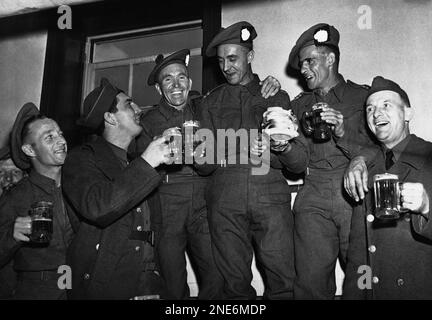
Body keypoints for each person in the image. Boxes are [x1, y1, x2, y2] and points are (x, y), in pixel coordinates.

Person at [200, 21, 309, 299]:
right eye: (222, 60)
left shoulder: (275, 95)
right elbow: (204, 164)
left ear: (249, 56)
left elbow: (297, 163)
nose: (226, 67)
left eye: (233, 58)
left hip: (268, 193)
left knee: (282, 278)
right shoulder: (210, 102)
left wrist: (277, 147)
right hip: (224, 196)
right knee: (234, 285)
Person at [287, 23, 378, 299]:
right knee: (309, 282)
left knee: (362, 277)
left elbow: (379, 149)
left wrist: (342, 131)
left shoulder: (363, 98)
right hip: (312, 193)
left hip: (355, 194)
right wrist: (282, 146)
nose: (304, 70)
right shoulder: (299, 105)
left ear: (330, 59)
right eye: (302, 64)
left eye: (310, 61)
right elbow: (295, 165)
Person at [62, 78, 171, 299]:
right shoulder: (81, 159)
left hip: (147, 283)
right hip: (106, 284)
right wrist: (147, 162)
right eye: (129, 104)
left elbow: (154, 227)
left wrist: (154, 274)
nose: (138, 108)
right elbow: (98, 206)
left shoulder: (135, 162)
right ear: (110, 117)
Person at [135, 49, 223, 299]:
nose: (176, 85)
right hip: (166, 204)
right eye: (168, 79)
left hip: (204, 204)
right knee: (172, 283)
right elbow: (137, 167)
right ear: (158, 89)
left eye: (181, 77)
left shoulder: (203, 110)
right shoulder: (147, 122)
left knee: (216, 275)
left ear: (190, 82)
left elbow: (213, 161)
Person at [343, 76, 432, 299]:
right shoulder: (365, 168)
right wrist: (355, 293)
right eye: (370, 109)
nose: (376, 114)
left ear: (408, 114)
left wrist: (427, 208)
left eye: (386, 105)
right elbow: (359, 251)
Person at [0, 103, 74, 299]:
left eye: (60, 133)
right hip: (37, 291)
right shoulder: (15, 197)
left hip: (83, 286)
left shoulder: (80, 185)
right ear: (29, 150)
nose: (61, 140)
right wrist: (11, 236)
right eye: (49, 137)